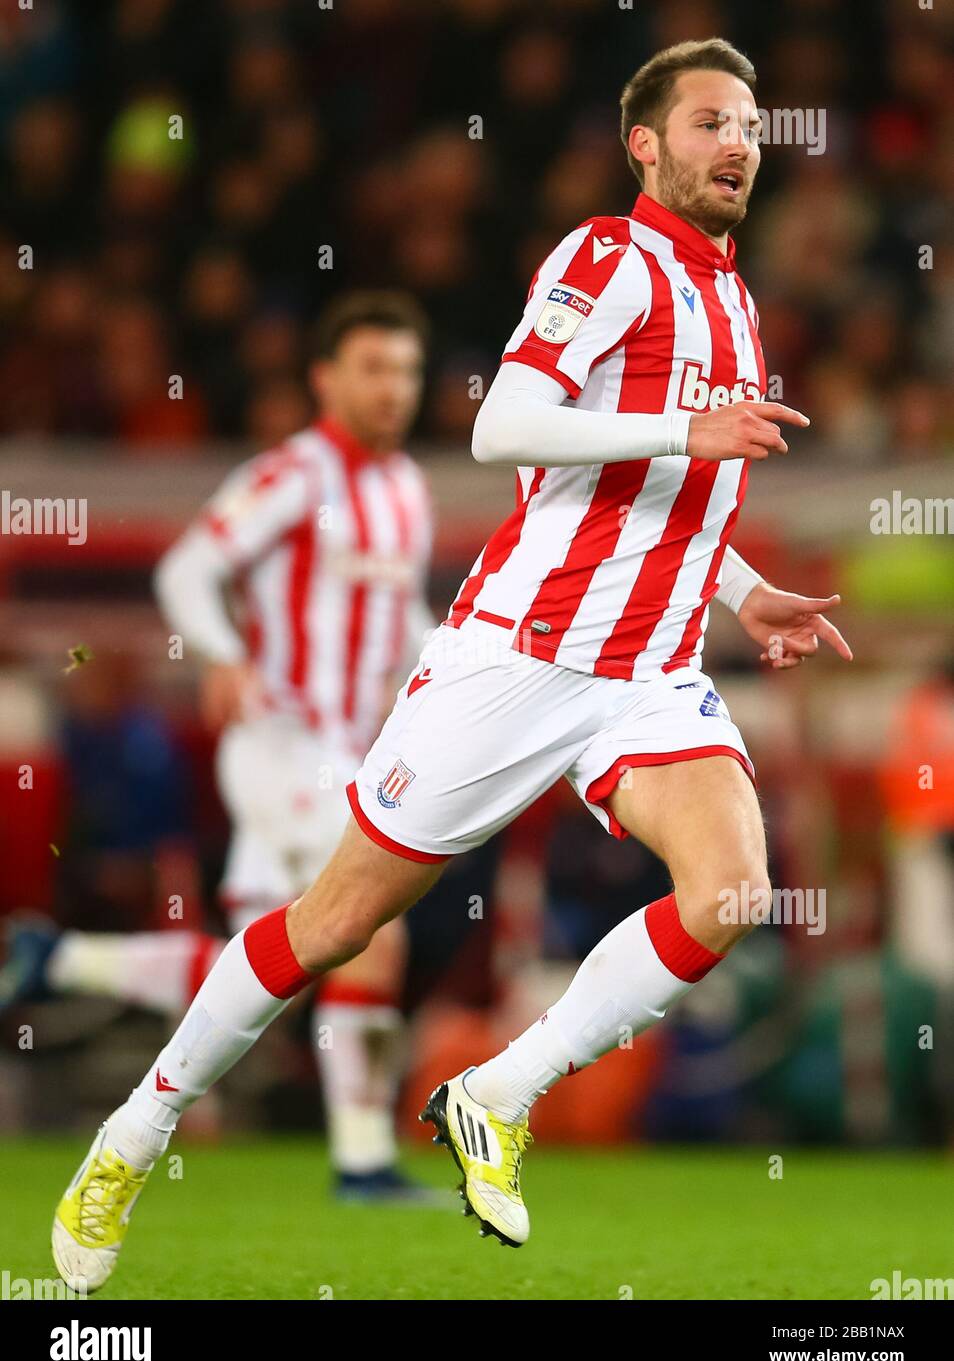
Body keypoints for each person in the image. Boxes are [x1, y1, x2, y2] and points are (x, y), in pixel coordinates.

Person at [51, 38, 852, 1289]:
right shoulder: (608, 258)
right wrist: (681, 421)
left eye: (750, 124)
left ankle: (498, 1090)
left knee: (733, 886)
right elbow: (503, 423)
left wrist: (745, 593)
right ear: (646, 145)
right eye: (708, 122)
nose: (739, 143)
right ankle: (137, 1126)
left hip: (646, 672)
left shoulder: (738, 302)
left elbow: (665, 493)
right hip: (518, 657)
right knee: (330, 925)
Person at [18, 290, 435, 1211]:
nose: (392, 389)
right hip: (286, 744)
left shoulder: (405, 489)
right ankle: (363, 1163)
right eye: (372, 368)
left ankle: (60, 961)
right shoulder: (294, 473)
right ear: (326, 379)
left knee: (268, 969)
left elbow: (402, 621)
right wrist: (220, 649)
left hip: (354, 752)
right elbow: (188, 568)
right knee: (371, 927)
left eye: (406, 371)